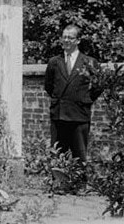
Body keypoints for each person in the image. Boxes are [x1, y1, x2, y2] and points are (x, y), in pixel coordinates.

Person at [44, 24, 103, 166]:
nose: (66, 40)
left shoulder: (89, 62)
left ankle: (80, 180)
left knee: (79, 156)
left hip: (79, 114)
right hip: (59, 115)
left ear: (78, 40)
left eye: (70, 38)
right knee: (58, 156)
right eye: (64, 37)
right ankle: (59, 180)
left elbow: (99, 85)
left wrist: (85, 99)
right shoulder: (54, 62)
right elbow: (49, 86)